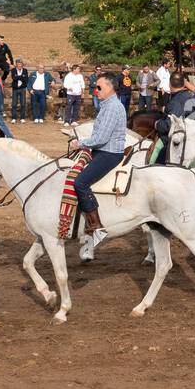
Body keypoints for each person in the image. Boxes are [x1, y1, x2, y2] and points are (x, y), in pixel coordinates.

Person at [70, 71, 129, 259]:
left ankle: (96, 227)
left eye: (99, 87)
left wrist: (80, 143)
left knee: (80, 183)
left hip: (109, 153)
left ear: (110, 87)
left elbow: (101, 138)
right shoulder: (107, 105)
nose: (96, 90)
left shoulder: (112, 107)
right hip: (104, 151)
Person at [9, 58, 28, 122]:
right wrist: (22, 76)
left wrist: (18, 76)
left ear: (22, 65)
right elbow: (14, 78)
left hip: (22, 88)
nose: (19, 65)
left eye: (20, 64)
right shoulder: (13, 70)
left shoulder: (25, 70)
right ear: (16, 64)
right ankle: (14, 118)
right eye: (18, 64)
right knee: (14, 104)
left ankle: (22, 118)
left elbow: (26, 80)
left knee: (23, 103)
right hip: (15, 88)